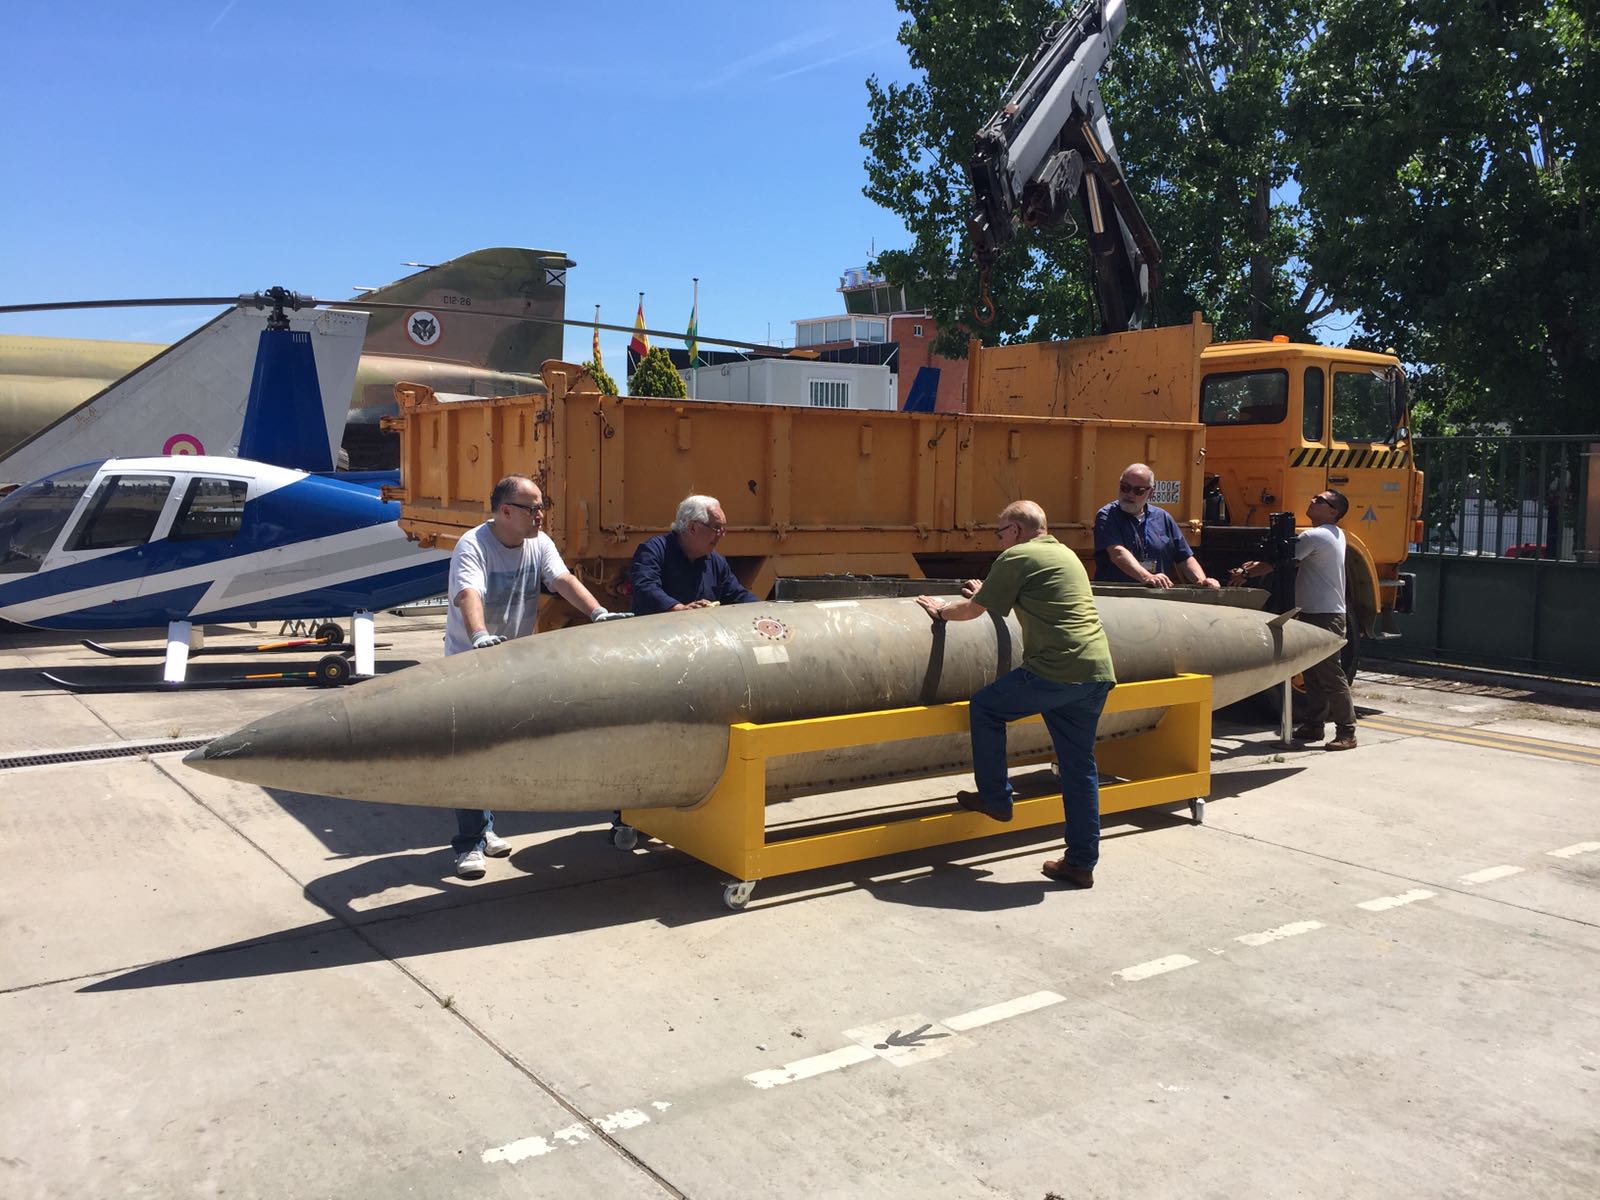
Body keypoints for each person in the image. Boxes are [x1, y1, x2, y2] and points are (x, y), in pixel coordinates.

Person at [915, 500, 1117, 889]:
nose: (999, 540)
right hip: (1095, 672)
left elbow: (970, 612)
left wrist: (940, 611)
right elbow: (1026, 597)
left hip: (1056, 669)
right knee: (1079, 768)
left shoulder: (1017, 556)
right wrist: (987, 592)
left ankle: (995, 797)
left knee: (986, 708)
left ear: (1017, 530)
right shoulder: (1066, 555)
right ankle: (1080, 864)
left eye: (1000, 532)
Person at [445, 474, 632, 879]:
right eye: (532, 508)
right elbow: (468, 594)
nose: (541, 515)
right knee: (470, 753)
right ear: (505, 511)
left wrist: (598, 613)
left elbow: (562, 579)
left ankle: (485, 828)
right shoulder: (473, 546)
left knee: (500, 749)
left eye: (542, 507)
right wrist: (478, 637)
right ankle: (468, 845)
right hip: (470, 661)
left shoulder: (538, 543)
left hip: (512, 660)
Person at [1239, 488, 1357, 751]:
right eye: (1314, 497)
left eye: (1320, 500)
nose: (1312, 501)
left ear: (1333, 512)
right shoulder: (1336, 534)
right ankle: (1314, 725)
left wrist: (1245, 574)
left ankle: (1347, 731)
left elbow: (1280, 561)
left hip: (1325, 615)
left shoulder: (1316, 536)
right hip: (1317, 611)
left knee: (1330, 675)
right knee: (1312, 672)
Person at [1094, 462, 1219, 589]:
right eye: (1125, 488)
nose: (1130, 494)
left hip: (1156, 596)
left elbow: (1185, 557)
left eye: (1138, 491)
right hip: (1117, 595)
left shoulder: (1163, 517)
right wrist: (1147, 577)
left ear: (1151, 493)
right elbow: (1117, 553)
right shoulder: (1107, 515)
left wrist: (1202, 581)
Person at [630, 494, 760, 614]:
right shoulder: (654, 550)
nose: (722, 535)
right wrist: (679, 608)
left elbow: (737, 595)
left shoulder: (716, 562)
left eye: (723, 529)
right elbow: (645, 588)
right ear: (692, 527)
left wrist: (764, 608)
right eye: (717, 527)